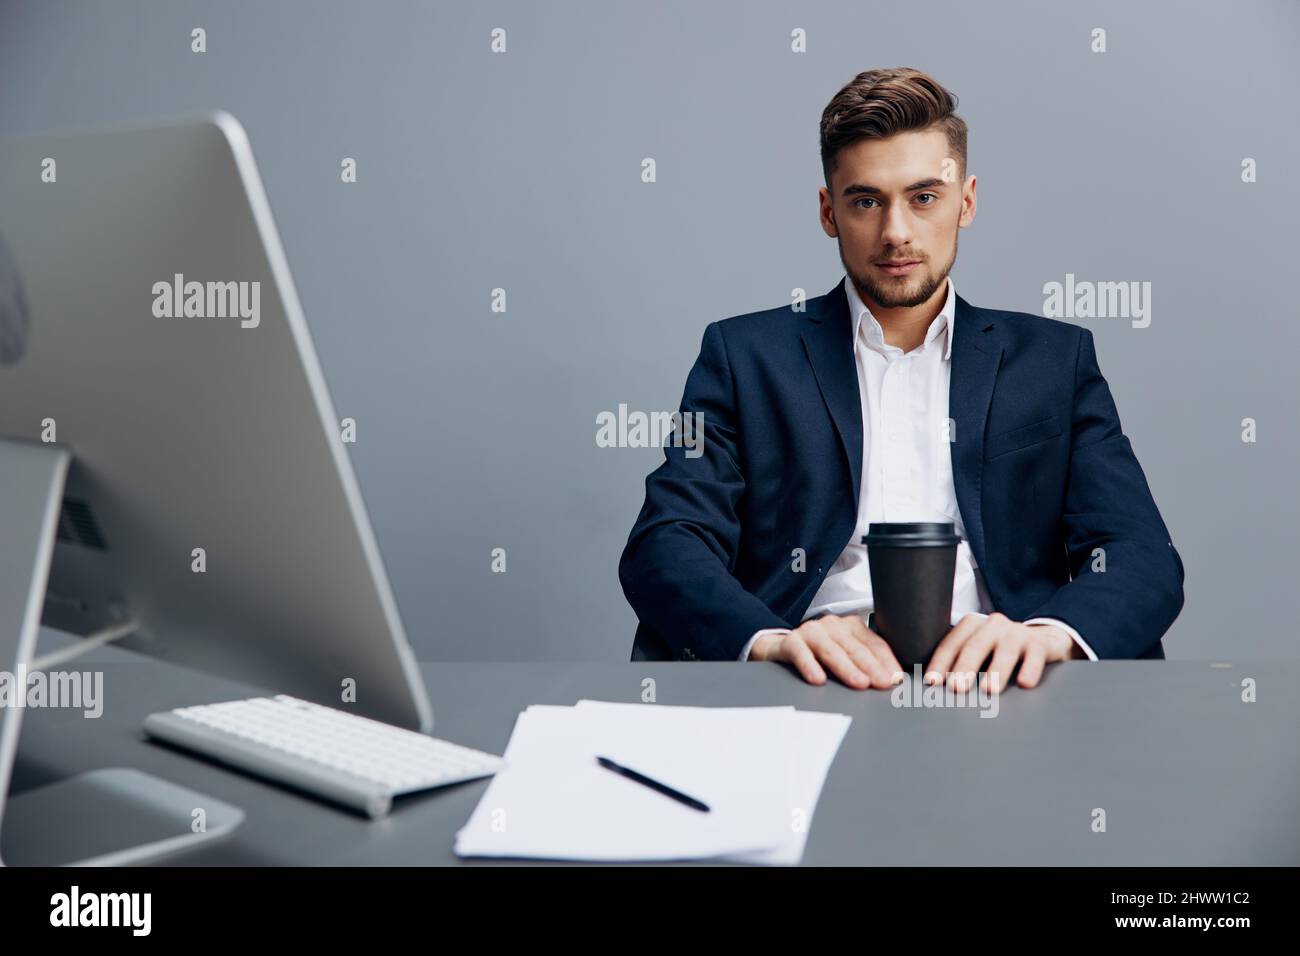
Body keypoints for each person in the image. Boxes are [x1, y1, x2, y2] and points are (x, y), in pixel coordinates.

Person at [619, 67, 1184, 695]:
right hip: (808, 679)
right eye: (866, 200)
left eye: (924, 197)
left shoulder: (1055, 360)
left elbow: (1141, 553)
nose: (896, 232)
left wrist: (1048, 634)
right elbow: (665, 544)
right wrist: (772, 640)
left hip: (1005, 682)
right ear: (828, 211)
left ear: (964, 201)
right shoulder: (744, 356)